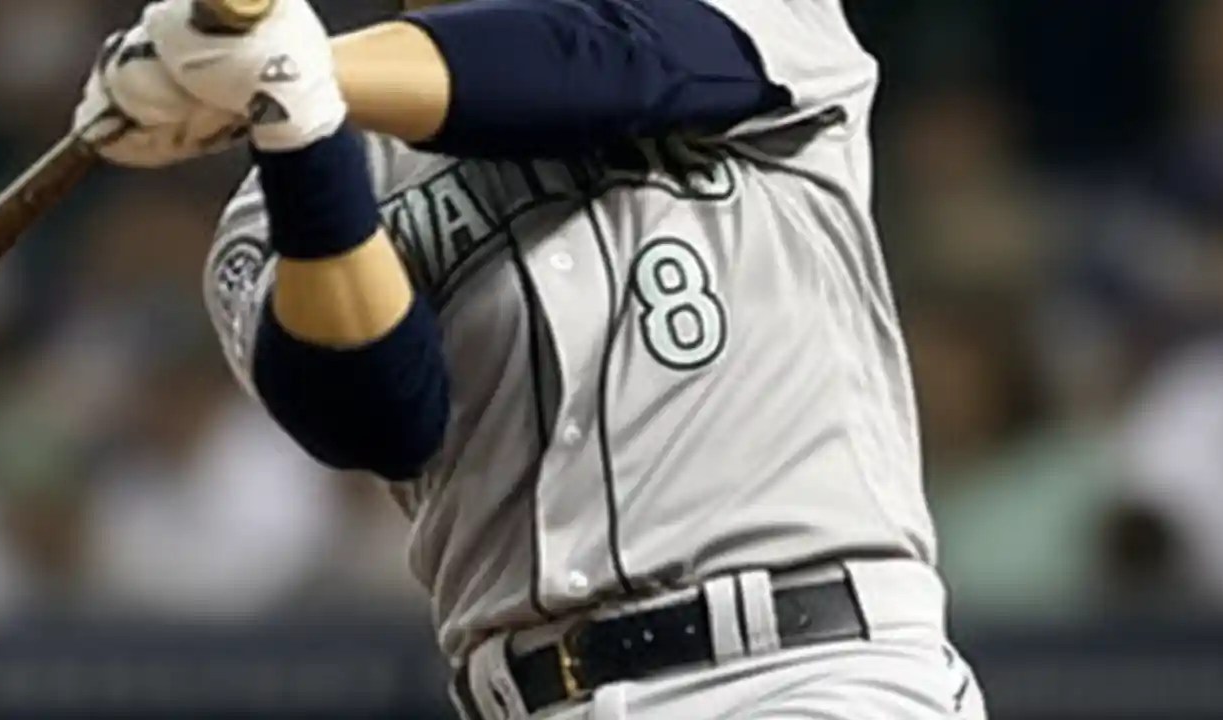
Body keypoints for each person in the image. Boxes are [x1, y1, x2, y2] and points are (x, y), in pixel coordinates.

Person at [72, 0, 987, 717]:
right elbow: (378, 414)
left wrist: (296, 67)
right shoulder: (266, 212)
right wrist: (298, 127)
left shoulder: (756, 11)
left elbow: (611, 62)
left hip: (809, 670)